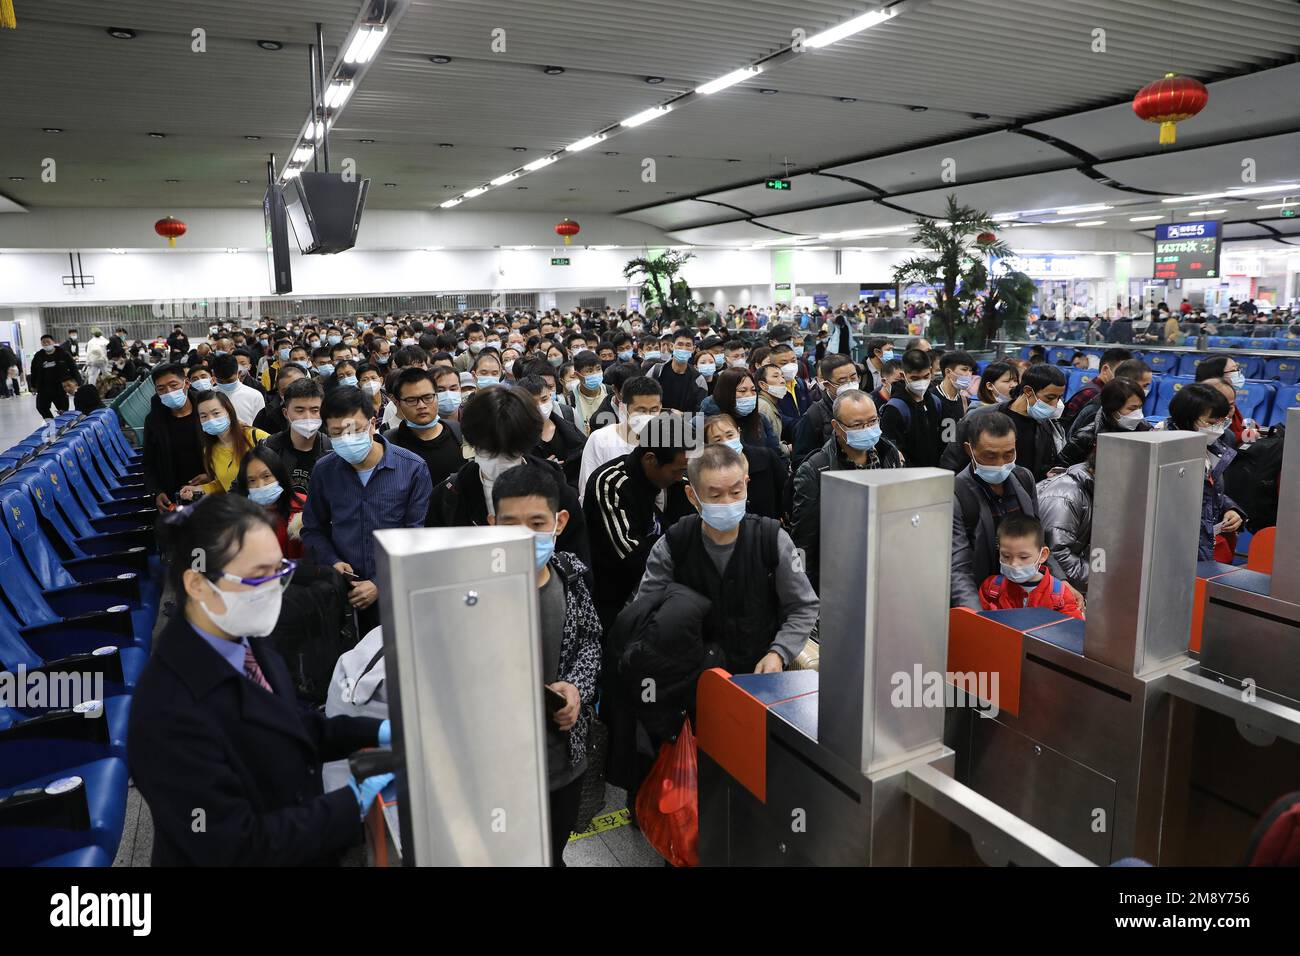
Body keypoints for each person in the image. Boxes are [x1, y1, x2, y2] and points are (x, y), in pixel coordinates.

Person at [128, 495, 393, 865]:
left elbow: (288, 724)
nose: (273, 589)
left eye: (278, 571)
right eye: (257, 577)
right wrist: (352, 803)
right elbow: (236, 846)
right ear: (198, 584)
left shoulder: (244, 638)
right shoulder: (168, 711)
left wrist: (375, 731)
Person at [487, 464, 602, 866]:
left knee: (552, 850)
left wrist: (575, 687)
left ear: (559, 521)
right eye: (510, 523)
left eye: (536, 522)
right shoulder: (471, 591)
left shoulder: (569, 578)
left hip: (562, 761)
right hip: (497, 767)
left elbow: (590, 640)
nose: (523, 534)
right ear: (491, 524)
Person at [635, 443, 818, 673]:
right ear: (692, 495)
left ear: (746, 484)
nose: (728, 503)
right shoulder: (672, 546)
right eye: (715, 495)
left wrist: (778, 652)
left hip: (758, 676)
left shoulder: (772, 540)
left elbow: (803, 605)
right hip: (692, 680)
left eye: (735, 492)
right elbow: (645, 614)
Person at [302, 386, 432, 634]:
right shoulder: (324, 471)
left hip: (397, 592)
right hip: (343, 593)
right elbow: (312, 529)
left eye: (355, 430)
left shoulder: (412, 469)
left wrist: (380, 583)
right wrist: (333, 561)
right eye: (338, 433)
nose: (347, 438)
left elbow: (415, 537)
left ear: (373, 423)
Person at [433, 384, 589, 562]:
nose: (499, 461)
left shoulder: (557, 489)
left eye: (510, 453)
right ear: (472, 444)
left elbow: (579, 562)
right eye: (488, 451)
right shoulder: (450, 495)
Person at [583, 413, 692, 626]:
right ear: (650, 459)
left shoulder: (681, 482)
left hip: (676, 594)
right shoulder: (611, 484)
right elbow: (632, 555)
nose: (681, 477)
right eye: (677, 471)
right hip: (619, 599)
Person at [792, 390, 901, 593]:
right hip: (839, 574)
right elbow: (805, 538)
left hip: (885, 564)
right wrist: (804, 591)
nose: (867, 429)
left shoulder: (889, 453)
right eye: (858, 425)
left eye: (872, 421)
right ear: (837, 427)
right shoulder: (816, 469)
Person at [950, 411, 1057, 610]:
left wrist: (1061, 581)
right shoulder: (956, 494)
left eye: (1008, 454)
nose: (1000, 464)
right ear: (969, 450)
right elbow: (959, 567)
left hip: (1025, 596)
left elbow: (1038, 537)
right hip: (984, 598)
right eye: (990, 456)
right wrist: (976, 616)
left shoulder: (1024, 479)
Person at [1165, 383, 1246, 562]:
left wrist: (1230, 509)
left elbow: (1211, 491)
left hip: (1205, 547)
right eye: (1211, 422)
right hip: (1173, 551)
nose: (1217, 428)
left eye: (1221, 422)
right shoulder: (1163, 450)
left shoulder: (1215, 447)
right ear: (1187, 418)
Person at [385, 367, 465, 515]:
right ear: (398, 402)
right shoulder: (389, 445)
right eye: (411, 400)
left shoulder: (459, 433)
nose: (421, 405)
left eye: (428, 397)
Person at [979, 514, 1083, 618]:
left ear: (1043, 555)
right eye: (1006, 556)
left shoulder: (1061, 596)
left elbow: (1072, 631)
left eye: (1023, 557)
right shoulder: (990, 588)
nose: (1014, 563)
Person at [577, 376, 663, 503]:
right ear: (624, 408)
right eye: (641, 410)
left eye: (654, 410)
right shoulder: (600, 439)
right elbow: (588, 489)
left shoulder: (665, 441)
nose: (648, 417)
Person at [143, 362, 208, 510]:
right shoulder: (154, 420)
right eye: (161, 389)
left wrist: (212, 475)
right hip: (175, 497)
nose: (169, 392)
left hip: (210, 490)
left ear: (186, 383)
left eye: (173, 385)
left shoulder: (206, 409)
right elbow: (148, 462)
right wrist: (157, 492)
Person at [703, 413, 788, 520]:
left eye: (730, 435)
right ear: (708, 445)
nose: (726, 442)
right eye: (718, 440)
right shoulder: (706, 473)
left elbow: (786, 492)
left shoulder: (765, 457)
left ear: (738, 432)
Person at [186, 391, 270, 498]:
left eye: (216, 413)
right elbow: (224, 484)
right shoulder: (209, 450)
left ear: (229, 411)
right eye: (203, 416)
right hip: (241, 510)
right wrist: (200, 489)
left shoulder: (256, 436)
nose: (210, 420)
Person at [262, 378, 333, 495]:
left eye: (315, 410)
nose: (308, 417)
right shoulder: (268, 448)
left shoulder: (331, 450)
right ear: (286, 413)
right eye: (300, 410)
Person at [1037, 453, 1095, 595]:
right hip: (1056, 582)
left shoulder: (1091, 488)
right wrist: (1095, 577)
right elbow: (1055, 551)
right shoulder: (1066, 497)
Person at [1057, 378, 1150, 466]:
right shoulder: (1086, 437)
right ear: (1113, 409)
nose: (1138, 413)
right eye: (1131, 408)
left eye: (1140, 407)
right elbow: (1060, 469)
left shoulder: (1144, 430)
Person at [998, 363, 1068, 481]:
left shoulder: (1044, 425)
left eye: (1059, 398)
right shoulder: (995, 419)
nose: (1055, 404)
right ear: (1028, 391)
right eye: (1050, 398)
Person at [235, 445, 307, 559]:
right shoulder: (240, 519)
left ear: (279, 476)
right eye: (252, 480)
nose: (260, 485)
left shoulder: (305, 507)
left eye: (266, 476)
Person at [880, 348, 947, 467]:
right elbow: (892, 452)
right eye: (915, 378)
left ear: (931, 371)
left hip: (934, 471)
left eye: (926, 376)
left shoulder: (935, 402)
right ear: (903, 375)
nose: (921, 382)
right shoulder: (895, 408)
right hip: (909, 476)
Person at [517, 373, 586, 488]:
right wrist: (541, 469)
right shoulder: (517, 438)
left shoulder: (568, 429)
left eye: (544, 399)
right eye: (532, 404)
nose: (540, 407)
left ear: (550, 394)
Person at [1059, 348, 1132, 430]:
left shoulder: (1107, 392)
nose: (1126, 378)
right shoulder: (1091, 395)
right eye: (1122, 373)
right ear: (1105, 369)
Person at [647, 331, 707, 413]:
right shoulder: (657, 371)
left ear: (693, 349)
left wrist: (683, 416)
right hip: (656, 423)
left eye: (688, 345)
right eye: (680, 344)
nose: (683, 349)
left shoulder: (698, 380)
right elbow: (643, 399)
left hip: (684, 425)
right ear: (672, 346)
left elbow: (700, 417)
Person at [29, 334, 80, 419]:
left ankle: (63, 424)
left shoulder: (63, 353)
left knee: (63, 409)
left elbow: (73, 368)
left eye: (48, 342)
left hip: (60, 387)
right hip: (43, 387)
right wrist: (33, 386)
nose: (46, 344)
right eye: (43, 342)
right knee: (41, 407)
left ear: (53, 342)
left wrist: (78, 382)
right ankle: (51, 424)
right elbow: (34, 371)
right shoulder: (38, 356)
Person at [253, 361, 305, 435]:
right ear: (279, 391)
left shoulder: (320, 410)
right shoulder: (265, 415)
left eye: (298, 388)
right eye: (286, 391)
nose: (293, 394)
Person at [568, 349, 608, 434]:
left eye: (598, 369)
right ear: (577, 375)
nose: (595, 374)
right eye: (589, 371)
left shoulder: (609, 391)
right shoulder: (570, 399)